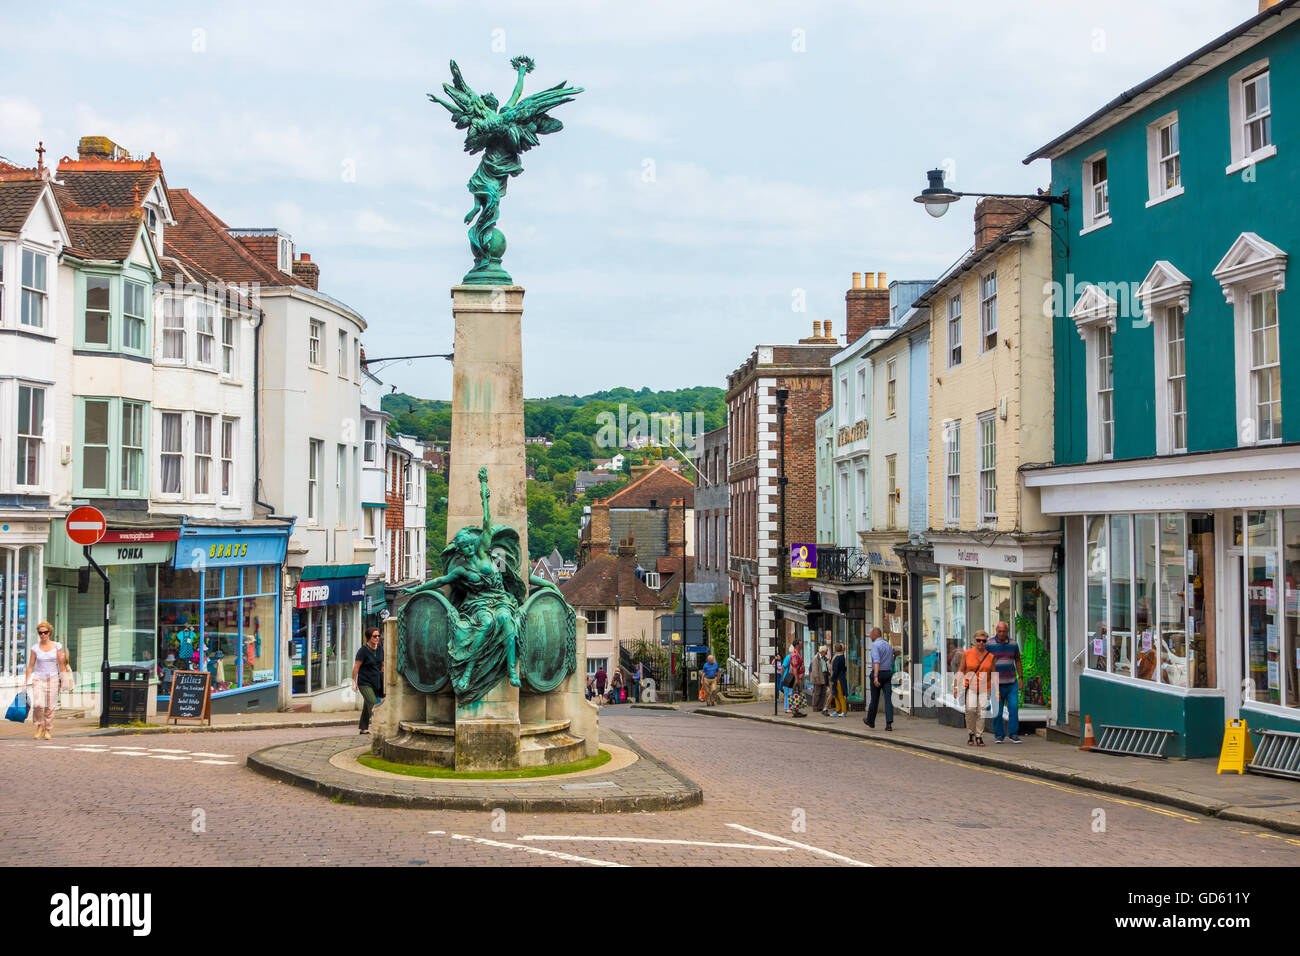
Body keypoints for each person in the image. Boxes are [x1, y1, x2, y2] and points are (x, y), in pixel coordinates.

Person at [24, 622, 70, 739]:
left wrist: (64, 679)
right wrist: (25, 682)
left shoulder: (57, 646)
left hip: (53, 678)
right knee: (38, 704)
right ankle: (39, 725)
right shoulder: (35, 648)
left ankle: (47, 729)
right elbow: (30, 666)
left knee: (50, 706)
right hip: (38, 678)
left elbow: (61, 664)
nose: (43, 635)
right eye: (40, 633)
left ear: (49, 633)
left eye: (45, 632)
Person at [955, 630, 997, 746]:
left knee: (981, 712)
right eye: (978, 640)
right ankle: (971, 733)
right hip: (971, 687)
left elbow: (994, 674)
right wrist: (956, 686)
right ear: (974, 641)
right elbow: (961, 670)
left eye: (983, 641)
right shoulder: (967, 654)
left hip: (985, 688)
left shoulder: (990, 656)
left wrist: (997, 690)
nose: (981, 643)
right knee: (970, 710)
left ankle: (979, 736)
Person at [986, 620, 1024, 743]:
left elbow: (1018, 660)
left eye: (1004, 631)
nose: (1002, 633)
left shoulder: (1013, 643)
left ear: (1007, 631)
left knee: (1014, 708)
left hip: (1011, 682)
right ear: (996, 631)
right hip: (996, 684)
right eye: (1000, 631)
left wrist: (1021, 678)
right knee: (998, 711)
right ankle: (999, 735)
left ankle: (1013, 734)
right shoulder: (989, 644)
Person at [352, 626, 384, 735]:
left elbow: (383, 664)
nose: (377, 638)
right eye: (375, 636)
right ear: (369, 637)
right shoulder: (363, 651)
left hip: (376, 682)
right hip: (365, 682)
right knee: (373, 704)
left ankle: (363, 728)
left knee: (367, 706)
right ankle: (380, 728)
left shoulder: (380, 649)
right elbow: (356, 667)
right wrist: (354, 682)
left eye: (378, 636)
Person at [865, 626, 894, 730]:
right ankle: (889, 723)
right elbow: (891, 661)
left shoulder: (875, 645)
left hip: (878, 673)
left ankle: (870, 721)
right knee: (888, 699)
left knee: (874, 699)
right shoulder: (888, 645)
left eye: (870, 634)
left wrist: (876, 676)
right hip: (888, 673)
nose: (869, 636)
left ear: (875, 634)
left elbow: (876, 661)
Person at [786, 644, 807, 717]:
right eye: (800, 644)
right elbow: (794, 667)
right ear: (797, 645)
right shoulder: (795, 654)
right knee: (795, 694)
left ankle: (797, 710)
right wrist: (797, 679)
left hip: (798, 677)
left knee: (797, 694)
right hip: (796, 678)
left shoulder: (797, 653)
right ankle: (794, 712)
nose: (802, 645)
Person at [810, 645, 830, 715]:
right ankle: (815, 707)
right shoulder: (816, 658)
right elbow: (815, 670)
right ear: (822, 651)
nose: (826, 653)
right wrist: (817, 679)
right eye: (826, 652)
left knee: (823, 692)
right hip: (819, 676)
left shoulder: (824, 658)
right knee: (817, 692)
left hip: (824, 675)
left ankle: (820, 706)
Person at [830, 643, 848, 717]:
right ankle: (838, 710)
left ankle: (844, 711)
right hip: (839, 677)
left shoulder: (838, 658)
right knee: (836, 695)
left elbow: (836, 670)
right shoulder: (842, 656)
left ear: (835, 649)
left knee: (839, 695)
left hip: (838, 678)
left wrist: (832, 678)